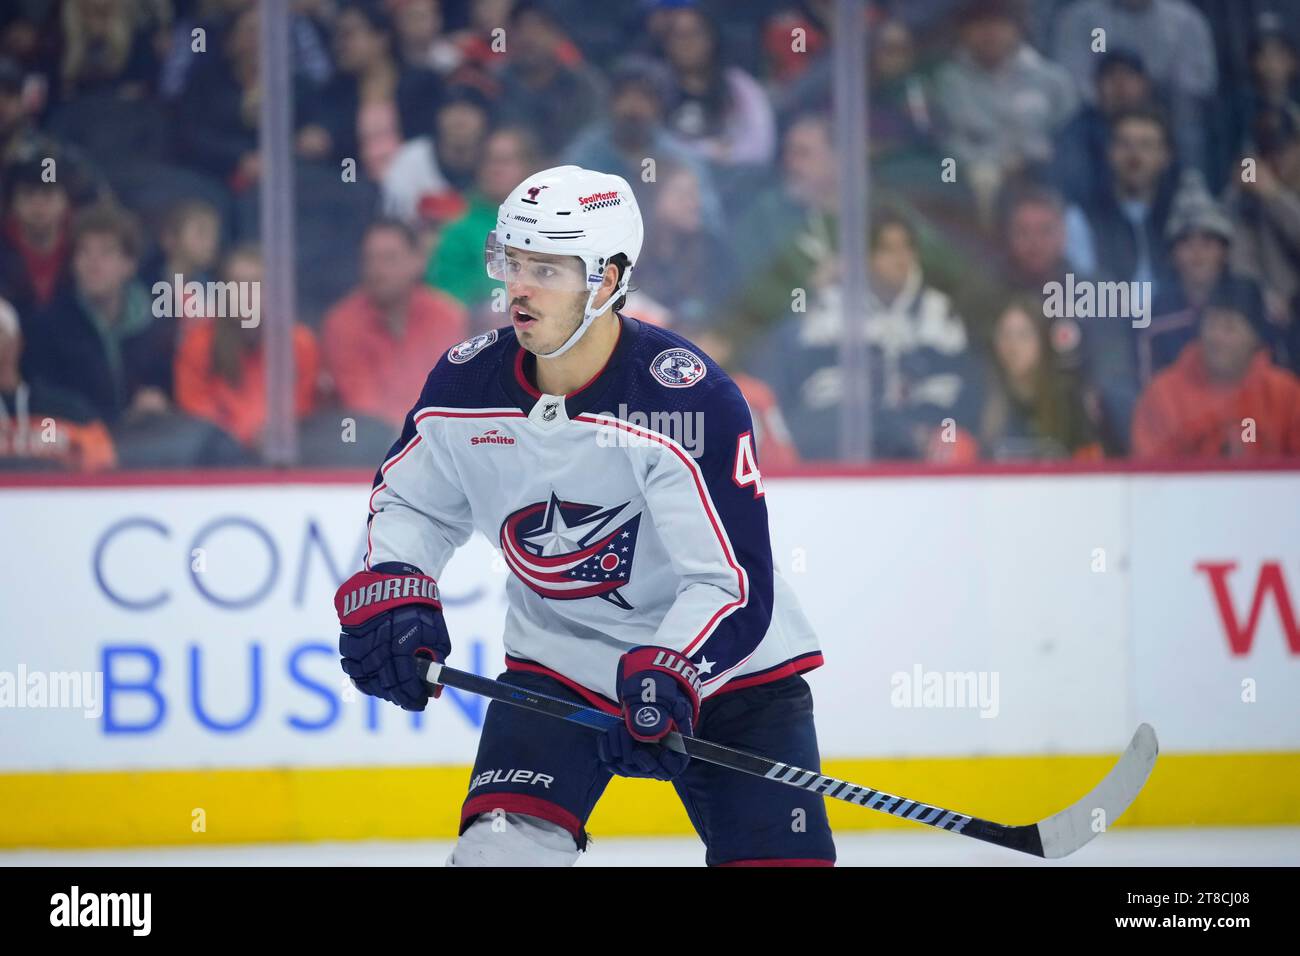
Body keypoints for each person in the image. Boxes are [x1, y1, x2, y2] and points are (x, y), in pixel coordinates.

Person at [334, 164, 833, 867]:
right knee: (495, 858)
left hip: (727, 674)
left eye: (547, 269)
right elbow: (412, 501)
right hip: (559, 664)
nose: (519, 288)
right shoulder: (464, 384)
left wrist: (672, 669)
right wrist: (395, 585)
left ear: (605, 281)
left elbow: (730, 583)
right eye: (512, 262)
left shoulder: (685, 402)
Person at [1132, 276, 1300, 458]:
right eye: (1211, 325)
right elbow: (1150, 476)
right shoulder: (1163, 394)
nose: (1217, 338)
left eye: (1230, 328)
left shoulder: (1286, 393)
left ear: (1255, 338)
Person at [321, 219, 466, 427]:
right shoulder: (342, 323)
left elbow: (454, 391)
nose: (377, 270)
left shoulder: (446, 317)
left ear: (418, 261)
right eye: (370, 259)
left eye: (389, 259)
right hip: (372, 448)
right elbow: (362, 404)